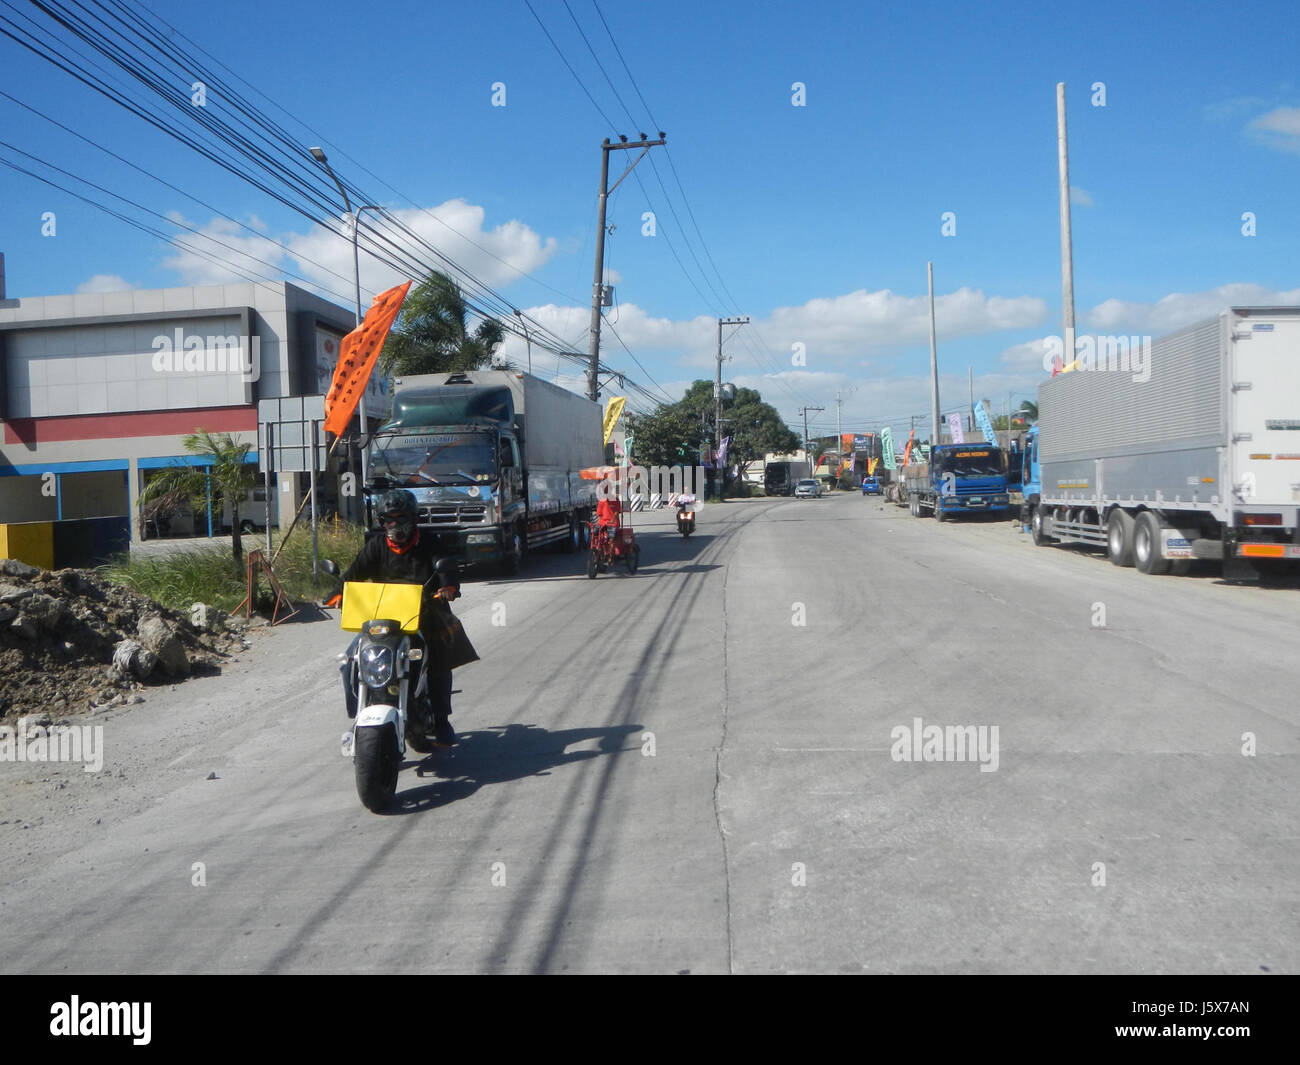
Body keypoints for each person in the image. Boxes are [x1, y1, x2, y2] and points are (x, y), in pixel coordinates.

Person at [325, 489, 474, 746]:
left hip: (424, 614)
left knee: (438, 660)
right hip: (382, 617)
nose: (394, 525)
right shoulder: (376, 545)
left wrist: (448, 587)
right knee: (352, 659)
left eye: (400, 518)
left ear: (414, 518)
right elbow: (353, 574)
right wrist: (338, 593)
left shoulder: (430, 543)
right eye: (388, 520)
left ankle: (441, 720)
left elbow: (446, 567)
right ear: (381, 522)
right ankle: (359, 713)